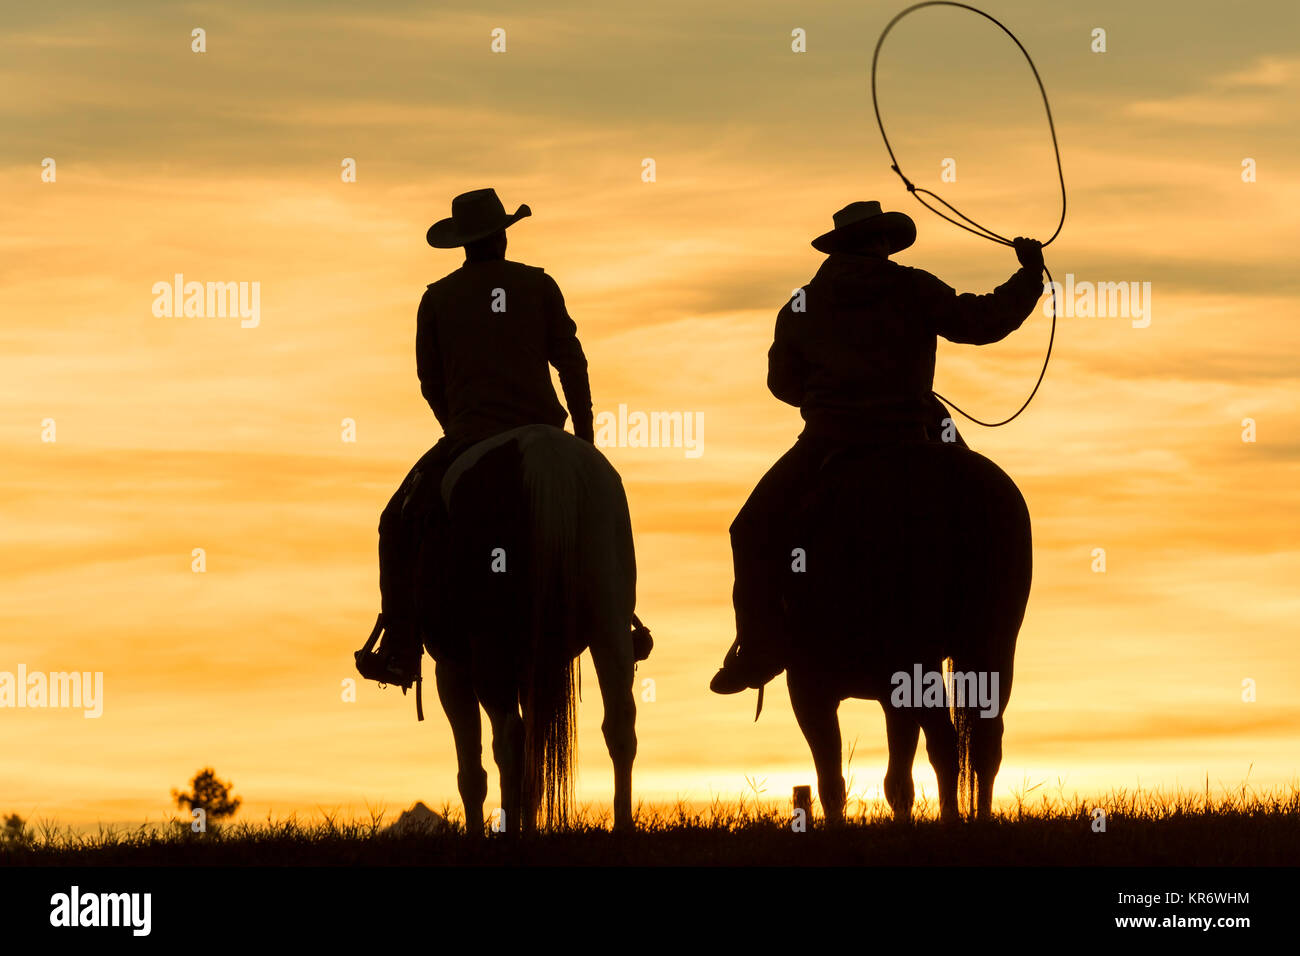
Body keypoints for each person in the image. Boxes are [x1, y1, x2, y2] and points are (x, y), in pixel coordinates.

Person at [709, 200, 1044, 695]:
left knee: (752, 529)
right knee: (977, 492)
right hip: (914, 432)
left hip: (830, 440)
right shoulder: (912, 285)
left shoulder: (803, 302)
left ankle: (759, 646)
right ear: (881, 242)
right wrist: (1029, 277)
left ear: (840, 246)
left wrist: (827, 398)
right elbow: (980, 321)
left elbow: (781, 383)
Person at [356, 188, 595, 690]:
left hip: (470, 435)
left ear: (462, 244)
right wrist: (585, 438)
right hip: (547, 430)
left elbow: (430, 382)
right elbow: (571, 360)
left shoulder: (437, 299)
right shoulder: (538, 285)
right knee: (602, 509)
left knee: (396, 522)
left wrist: (458, 426)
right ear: (503, 235)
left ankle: (401, 647)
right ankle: (620, 619)